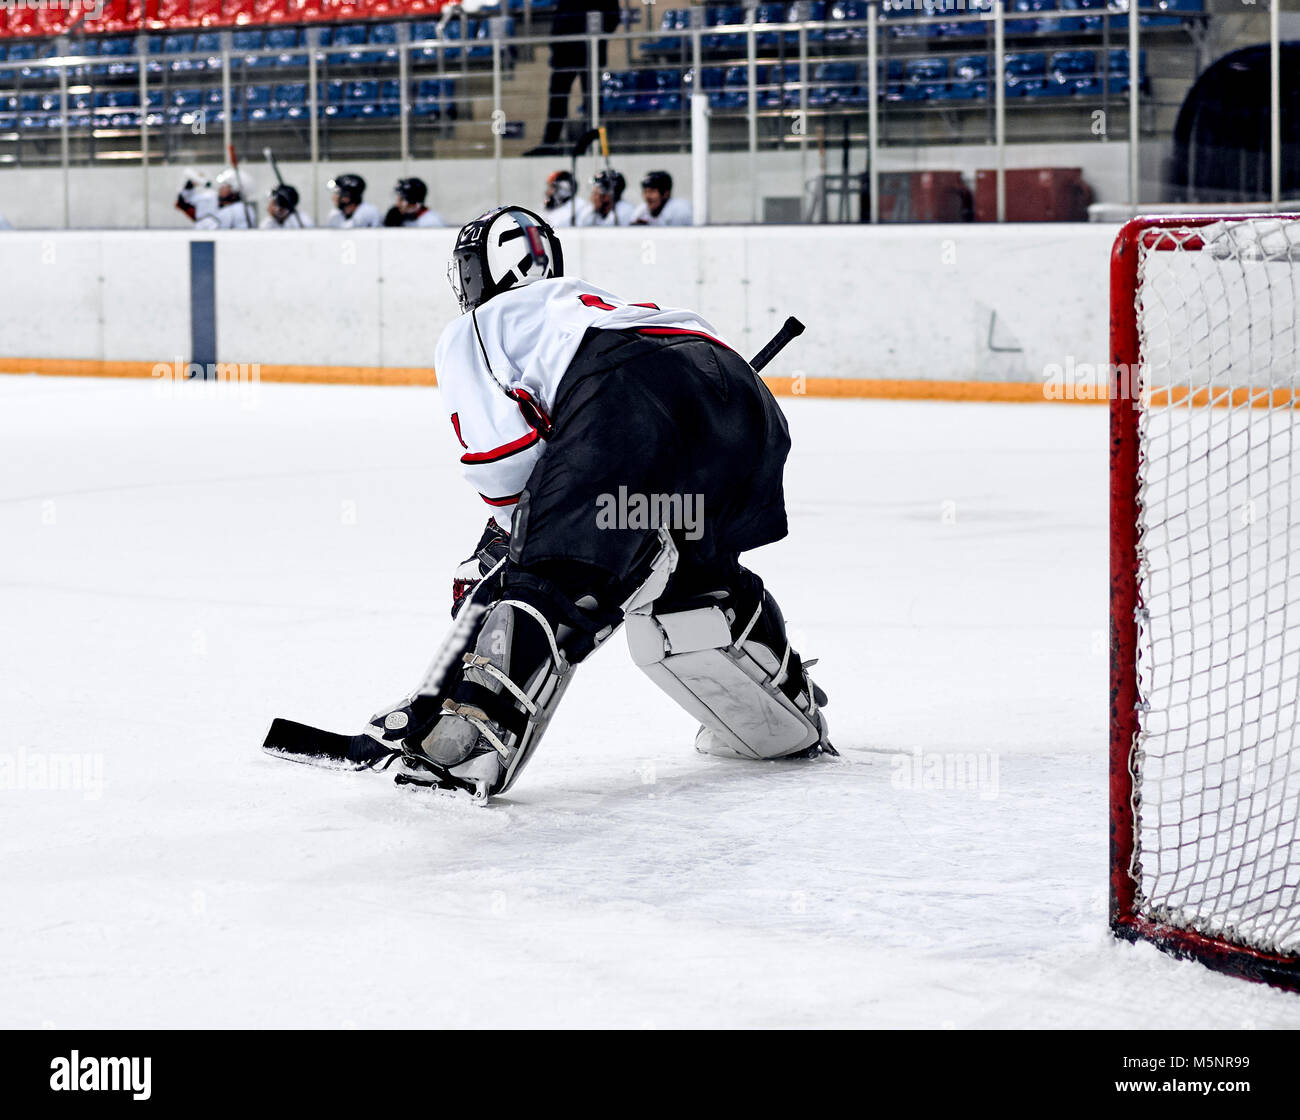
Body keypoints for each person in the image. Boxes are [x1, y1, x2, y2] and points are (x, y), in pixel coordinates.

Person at [326, 206, 833, 800]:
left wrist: (517, 540)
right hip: (739, 400)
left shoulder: (481, 324)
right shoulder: (591, 303)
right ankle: (782, 709)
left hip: (628, 398)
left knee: (553, 574)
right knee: (688, 572)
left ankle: (467, 743)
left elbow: (503, 464)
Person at [529, 0, 620, 154]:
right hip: (564, 53)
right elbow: (560, 17)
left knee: (592, 103)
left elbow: (613, 17)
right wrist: (556, 43)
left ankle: (594, 144)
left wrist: (595, 34)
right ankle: (549, 144)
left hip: (590, 52)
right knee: (557, 102)